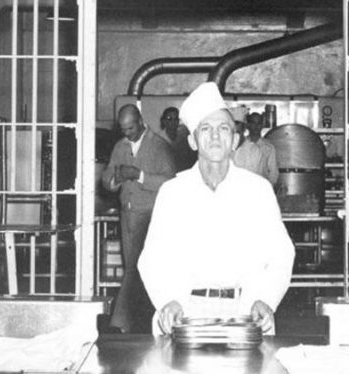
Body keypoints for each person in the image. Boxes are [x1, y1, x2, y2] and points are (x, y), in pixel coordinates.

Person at [138, 82, 294, 336]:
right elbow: (153, 259)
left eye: (223, 128)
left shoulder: (258, 190)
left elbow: (282, 254)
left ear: (234, 141)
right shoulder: (173, 193)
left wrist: (266, 299)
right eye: (205, 129)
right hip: (185, 316)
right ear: (192, 140)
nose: (214, 136)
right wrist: (168, 300)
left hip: (246, 315)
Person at [101, 104, 175, 333]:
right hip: (128, 216)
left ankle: (120, 321)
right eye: (123, 129)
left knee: (137, 269)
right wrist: (114, 179)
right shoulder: (120, 146)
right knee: (133, 269)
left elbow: (170, 182)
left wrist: (139, 175)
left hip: (151, 216)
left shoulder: (160, 146)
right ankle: (138, 323)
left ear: (141, 121)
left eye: (130, 128)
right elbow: (106, 177)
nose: (126, 133)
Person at [233, 111, 279, 189]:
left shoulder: (268, 147)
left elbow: (273, 172)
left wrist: (268, 189)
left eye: (259, 123)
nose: (256, 126)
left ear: (262, 125)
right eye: (253, 123)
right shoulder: (240, 144)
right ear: (248, 125)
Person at [159, 106, 196, 172]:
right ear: (164, 121)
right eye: (169, 118)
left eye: (176, 119)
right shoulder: (158, 138)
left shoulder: (184, 136)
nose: (173, 121)